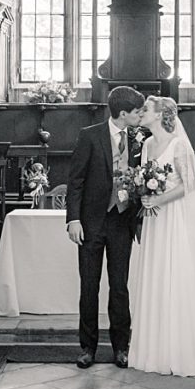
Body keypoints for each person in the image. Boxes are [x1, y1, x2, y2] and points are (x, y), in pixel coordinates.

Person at [129, 96, 195, 376]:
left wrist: (158, 199)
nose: (142, 113)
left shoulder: (179, 144)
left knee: (174, 275)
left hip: (173, 219)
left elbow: (189, 185)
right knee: (155, 276)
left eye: (146, 110)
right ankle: (154, 349)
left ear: (160, 115)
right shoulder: (147, 144)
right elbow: (145, 177)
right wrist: (145, 194)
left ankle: (180, 348)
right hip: (154, 222)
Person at [66, 85, 145, 370]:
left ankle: (121, 347)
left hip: (122, 222)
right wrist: (73, 219)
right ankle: (87, 348)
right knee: (89, 286)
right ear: (123, 113)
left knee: (119, 287)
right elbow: (75, 181)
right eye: (137, 112)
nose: (141, 116)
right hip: (91, 223)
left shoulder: (141, 138)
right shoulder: (90, 135)